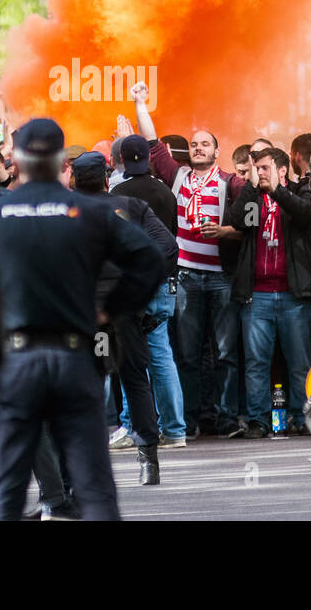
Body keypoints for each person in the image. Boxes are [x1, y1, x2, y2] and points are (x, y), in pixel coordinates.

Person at [0, 119, 166, 520]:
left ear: (17, 161)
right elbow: (150, 257)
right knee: (94, 485)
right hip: (74, 357)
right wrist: (112, 308)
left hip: (14, 361)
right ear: (62, 162)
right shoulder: (89, 212)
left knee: (5, 489)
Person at [130, 82, 247, 439]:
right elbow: (152, 146)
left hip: (221, 277)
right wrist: (140, 104)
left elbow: (248, 225)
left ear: (217, 150)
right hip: (187, 277)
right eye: (194, 144)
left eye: (205, 144)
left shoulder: (232, 183)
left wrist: (226, 231)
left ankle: (228, 419)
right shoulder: (178, 176)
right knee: (189, 353)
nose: (198, 148)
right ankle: (193, 418)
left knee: (226, 353)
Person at [73, 150, 177, 482]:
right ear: (106, 178)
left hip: (82, 310)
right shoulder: (130, 208)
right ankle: (148, 460)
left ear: (74, 180)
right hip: (125, 308)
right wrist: (140, 287)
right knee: (135, 379)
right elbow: (168, 247)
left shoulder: (65, 211)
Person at [224, 146, 311, 437]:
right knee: (256, 362)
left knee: (299, 362)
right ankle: (258, 420)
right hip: (258, 294)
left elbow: (306, 216)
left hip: (294, 294)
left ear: (281, 170)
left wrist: (278, 191)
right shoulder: (255, 196)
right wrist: (253, 189)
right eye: (257, 168)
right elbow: (238, 220)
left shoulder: (299, 193)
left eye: (264, 168)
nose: (259, 173)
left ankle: (302, 418)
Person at [110, 133, 185, 447]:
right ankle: (175, 430)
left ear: (121, 161)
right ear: (151, 158)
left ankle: (131, 425)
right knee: (161, 355)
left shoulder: (118, 194)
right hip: (164, 282)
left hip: (132, 284)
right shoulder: (166, 193)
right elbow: (173, 236)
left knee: (129, 354)